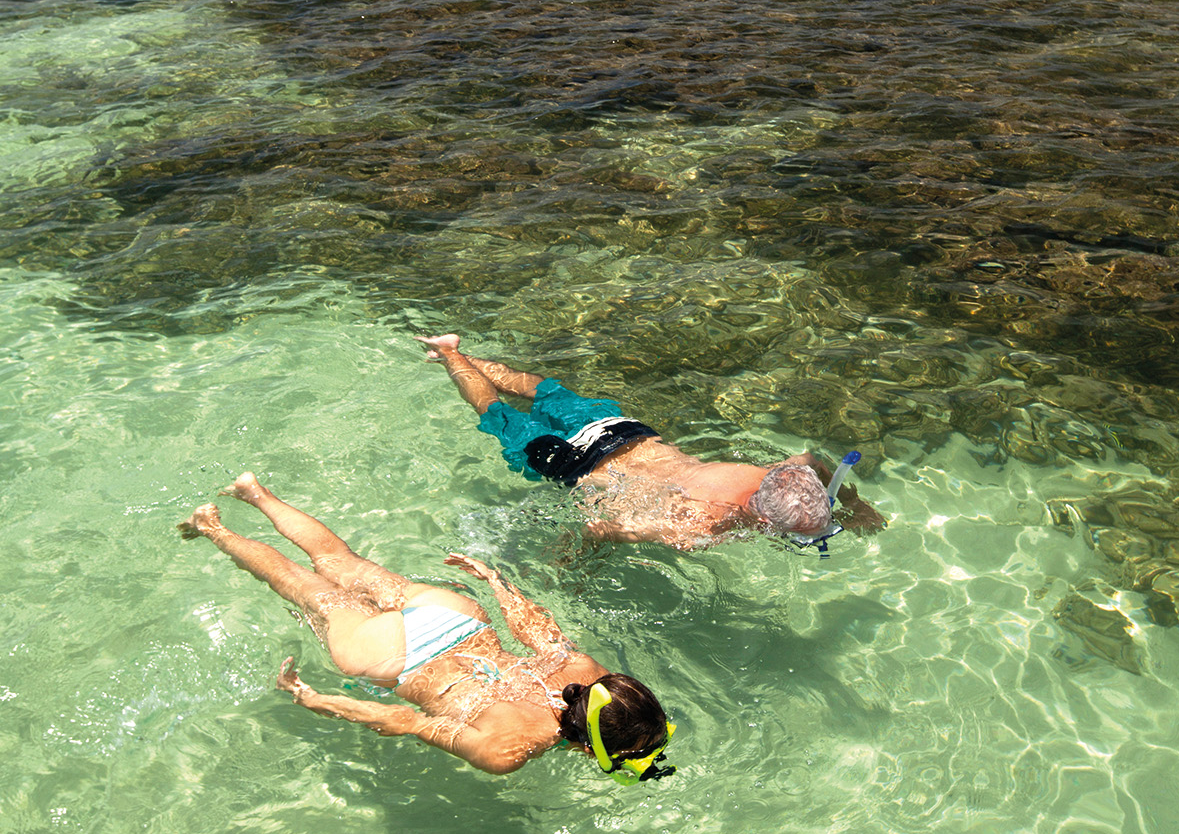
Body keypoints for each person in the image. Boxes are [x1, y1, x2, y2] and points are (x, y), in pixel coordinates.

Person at [179, 473, 674, 780]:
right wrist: (316, 700)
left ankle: (253, 491)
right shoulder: (509, 749)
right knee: (295, 582)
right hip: (394, 657)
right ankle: (211, 526)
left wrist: (495, 582)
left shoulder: (588, 672)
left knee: (338, 560)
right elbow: (410, 721)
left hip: (456, 620)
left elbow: (534, 627)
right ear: (590, 747)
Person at [420, 334, 888, 553]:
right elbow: (602, 528)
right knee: (494, 413)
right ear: (765, 519)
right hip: (575, 463)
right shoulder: (703, 525)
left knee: (548, 392)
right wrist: (573, 565)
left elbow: (813, 459)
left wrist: (853, 503)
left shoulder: (780, 473)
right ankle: (448, 355)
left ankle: (454, 347)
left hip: (622, 432)